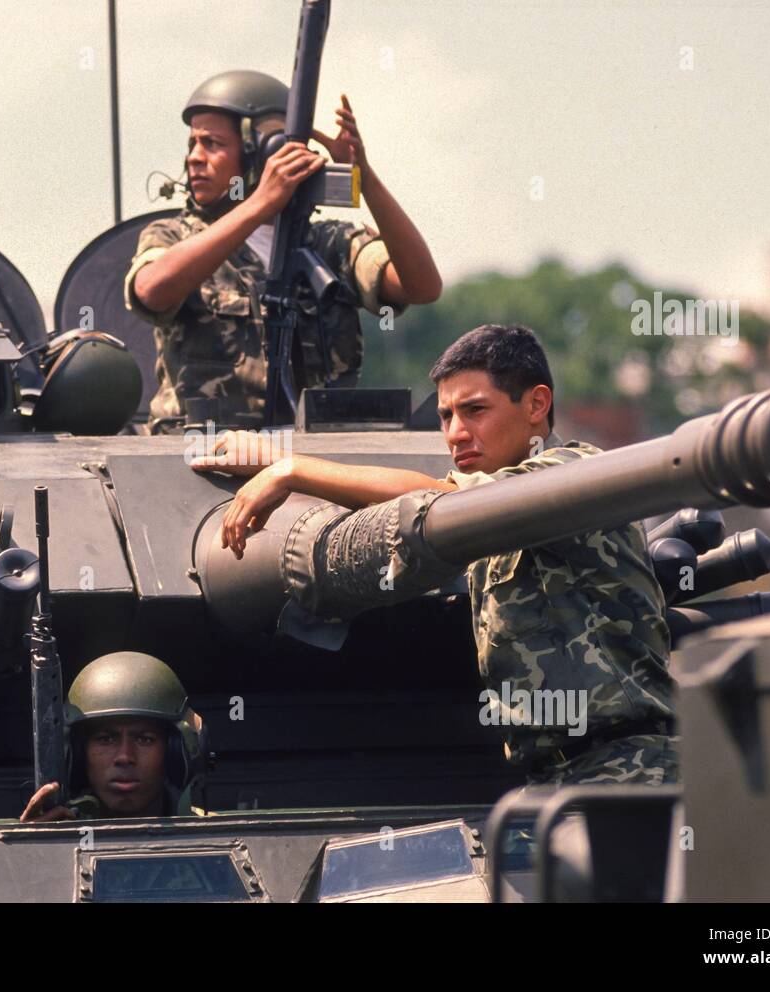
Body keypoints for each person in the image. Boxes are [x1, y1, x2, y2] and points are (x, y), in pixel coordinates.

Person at [190, 324, 679, 786]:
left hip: (626, 768)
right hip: (553, 776)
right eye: (447, 415)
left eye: (475, 410)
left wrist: (287, 466)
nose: (456, 433)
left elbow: (442, 507)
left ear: (536, 405)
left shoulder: (572, 473)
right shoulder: (494, 516)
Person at [125, 70, 442, 432]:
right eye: (192, 144)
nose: (195, 158)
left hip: (313, 460)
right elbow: (151, 290)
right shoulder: (174, 237)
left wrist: (364, 177)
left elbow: (421, 286)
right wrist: (261, 203)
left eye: (211, 143)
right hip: (201, 459)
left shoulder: (327, 244)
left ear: (262, 152)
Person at [20, 651, 208, 821]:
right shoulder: (43, 835)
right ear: (77, 753)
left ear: (176, 751)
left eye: (145, 739)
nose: (125, 757)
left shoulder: (212, 835)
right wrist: (34, 848)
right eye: (105, 739)